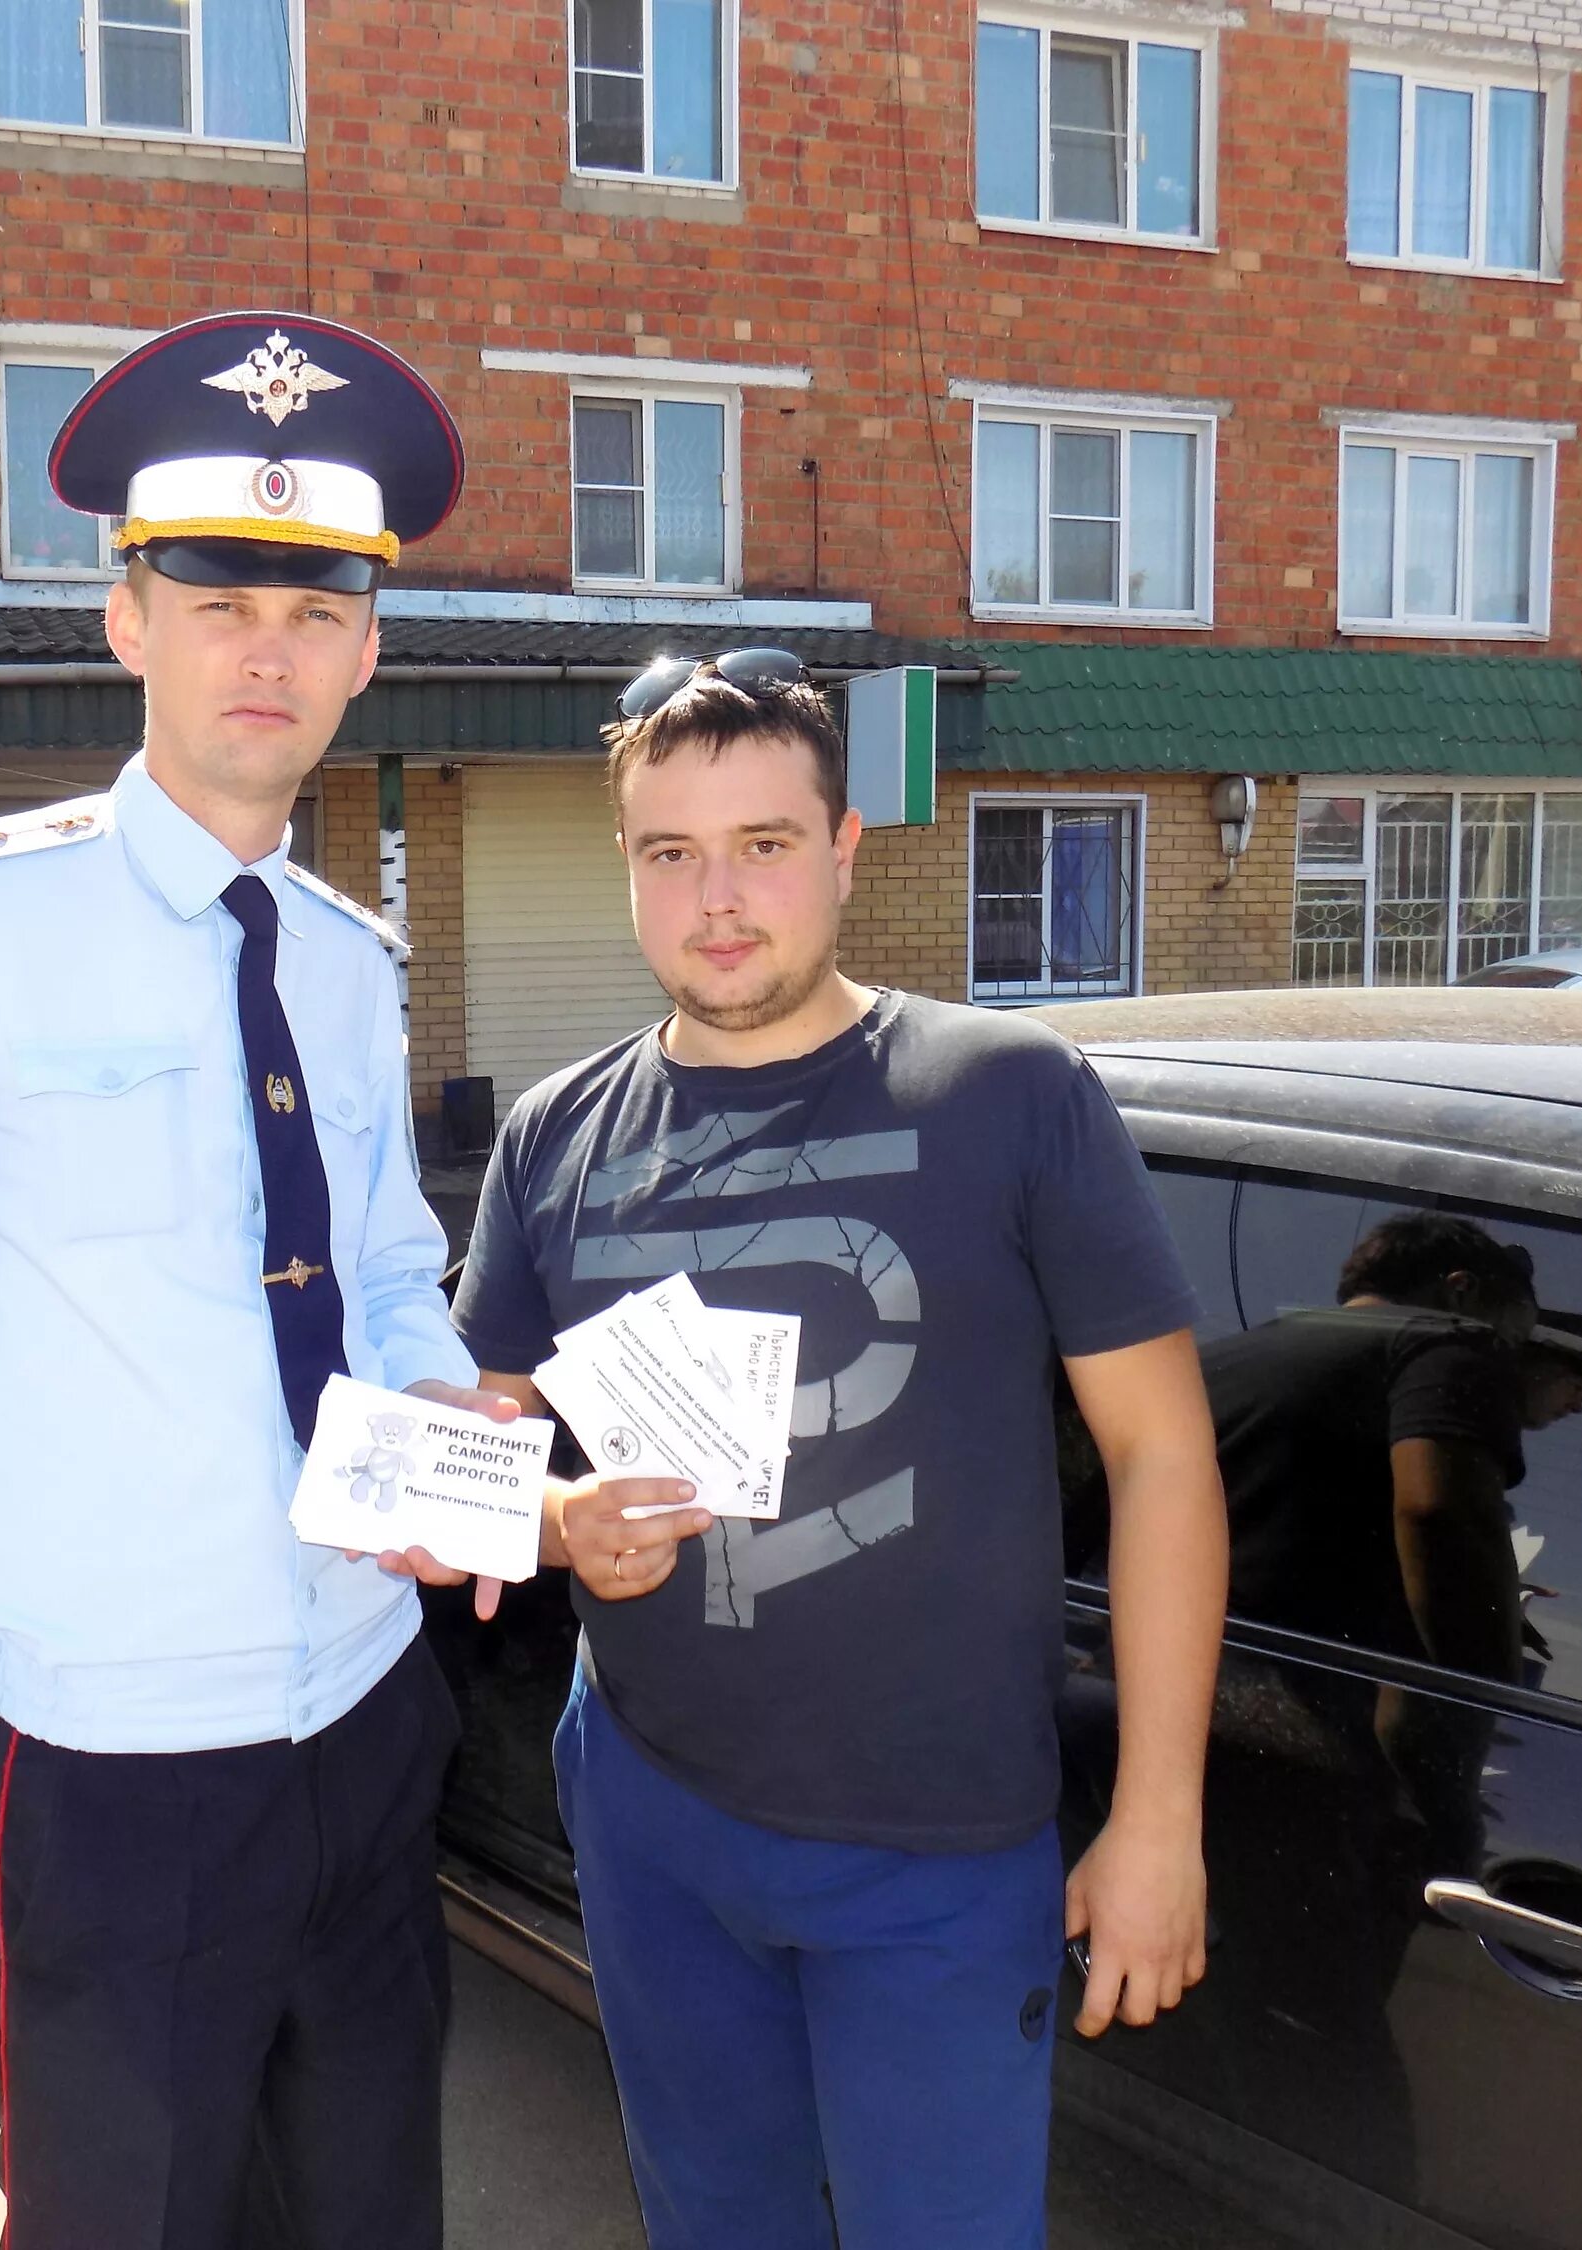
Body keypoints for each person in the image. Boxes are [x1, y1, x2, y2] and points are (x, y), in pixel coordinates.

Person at [0, 312, 514, 2250]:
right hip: (119, 1780)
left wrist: (451, 1409)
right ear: (124, 622)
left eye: (315, 611)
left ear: (368, 650)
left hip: (371, 1720)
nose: (270, 648)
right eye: (219, 596)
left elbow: (385, 1277)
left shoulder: (342, 956)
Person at [445, 654, 1229, 2250]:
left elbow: (1162, 1456)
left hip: (933, 1845)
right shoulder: (554, 1133)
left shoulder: (1008, 1092)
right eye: (673, 853)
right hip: (653, 1814)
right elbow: (488, 1442)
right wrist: (550, 1517)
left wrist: (1157, 1817)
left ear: (847, 845)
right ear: (632, 871)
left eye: (764, 844)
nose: (717, 899)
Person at [1204, 1211, 1538, 1683]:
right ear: (1460, 1290)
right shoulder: (1449, 1341)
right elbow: (1440, 1514)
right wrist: (1491, 1690)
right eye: (1513, 1336)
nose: (1507, 1355)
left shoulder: (1224, 1358)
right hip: (1281, 1702)